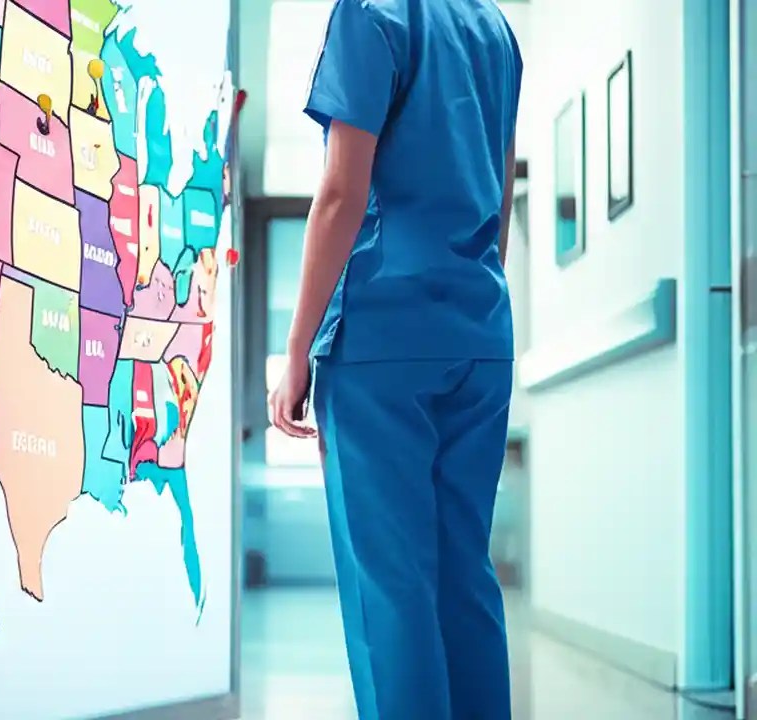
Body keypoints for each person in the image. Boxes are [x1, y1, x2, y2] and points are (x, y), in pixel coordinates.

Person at [267, 1, 523, 718]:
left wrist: (297, 350)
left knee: (392, 588)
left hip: (382, 337)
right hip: (479, 332)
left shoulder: (369, 14)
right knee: (463, 578)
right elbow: (498, 197)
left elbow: (343, 192)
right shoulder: (495, 29)